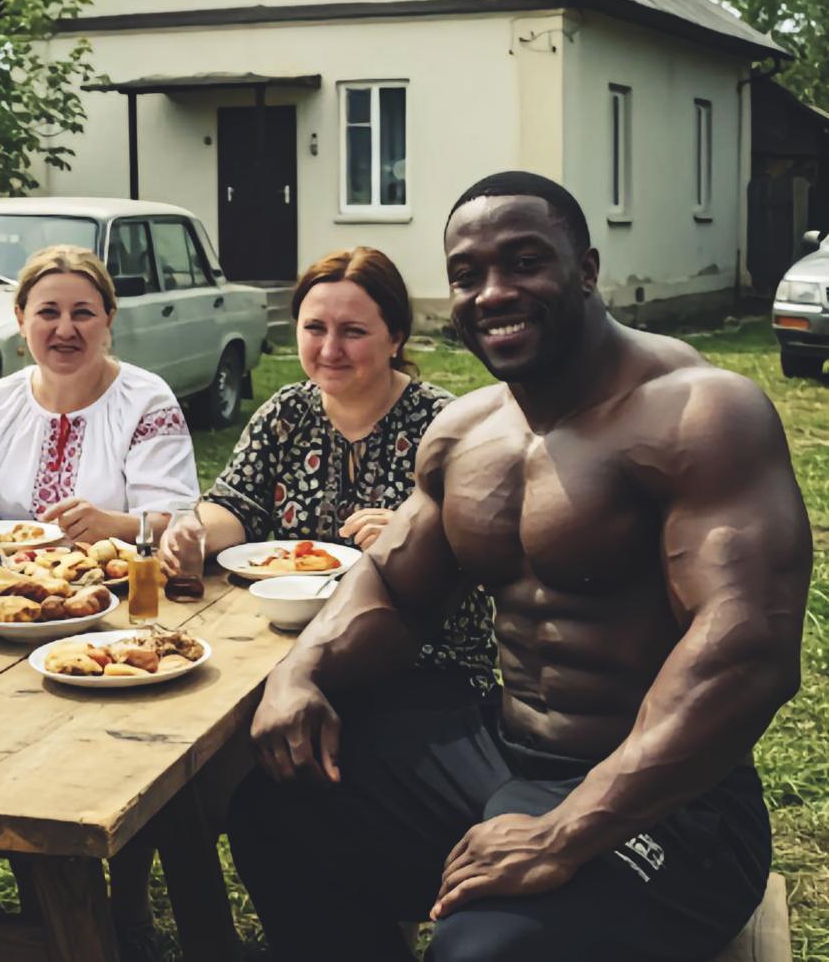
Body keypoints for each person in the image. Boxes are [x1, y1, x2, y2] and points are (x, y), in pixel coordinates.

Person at [228, 172, 812, 962]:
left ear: (588, 270)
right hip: (507, 753)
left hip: (671, 803)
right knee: (276, 810)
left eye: (526, 262)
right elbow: (395, 589)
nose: (493, 292)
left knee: (485, 951)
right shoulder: (467, 435)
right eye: (468, 275)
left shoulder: (698, 413)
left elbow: (747, 654)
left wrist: (567, 832)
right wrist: (305, 670)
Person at [161, 246, 495, 691]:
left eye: (353, 331)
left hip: (420, 663)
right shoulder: (287, 413)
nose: (330, 349)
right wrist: (193, 535)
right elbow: (236, 507)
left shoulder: (443, 425)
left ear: (395, 338)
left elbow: (488, 557)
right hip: (286, 648)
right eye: (314, 328)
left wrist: (417, 540)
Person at [0, 243, 198, 546]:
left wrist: (115, 525)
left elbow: (177, 524)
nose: (65, 330)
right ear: (20, 319)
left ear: (108, 319)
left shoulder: (146, 402)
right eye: (48, 312)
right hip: (4, 586)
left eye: (83, 313)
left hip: (117, 585)